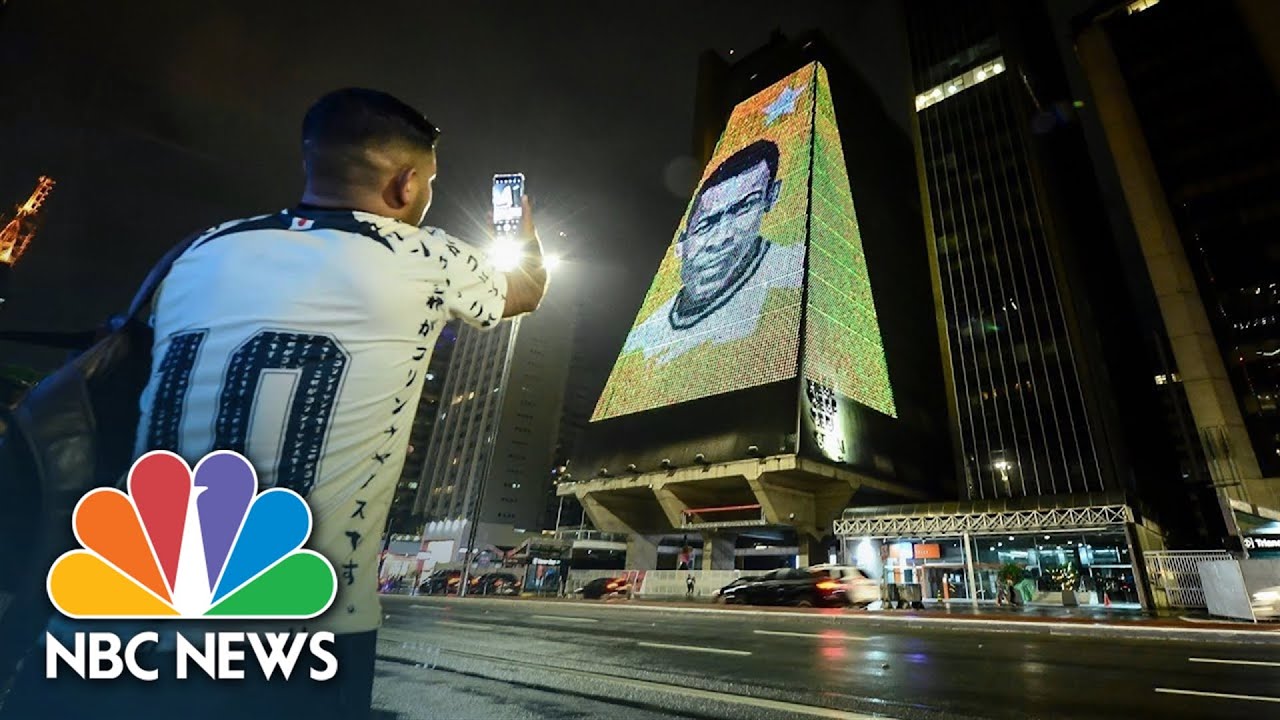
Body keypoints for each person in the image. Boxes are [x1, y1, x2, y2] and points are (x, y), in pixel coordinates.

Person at [0, 88, 547, 720]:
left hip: (124, 600)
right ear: (404, 185)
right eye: (427, 183)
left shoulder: (199, 249)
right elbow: (526, 289)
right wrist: (519, 231)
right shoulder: (427, 260)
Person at [621, 139, 804, 365]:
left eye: (744, 207)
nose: (722, 237)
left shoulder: (795, 276)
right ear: (681, 244)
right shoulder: (643, 338)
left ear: (772, 197)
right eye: (707, 224)